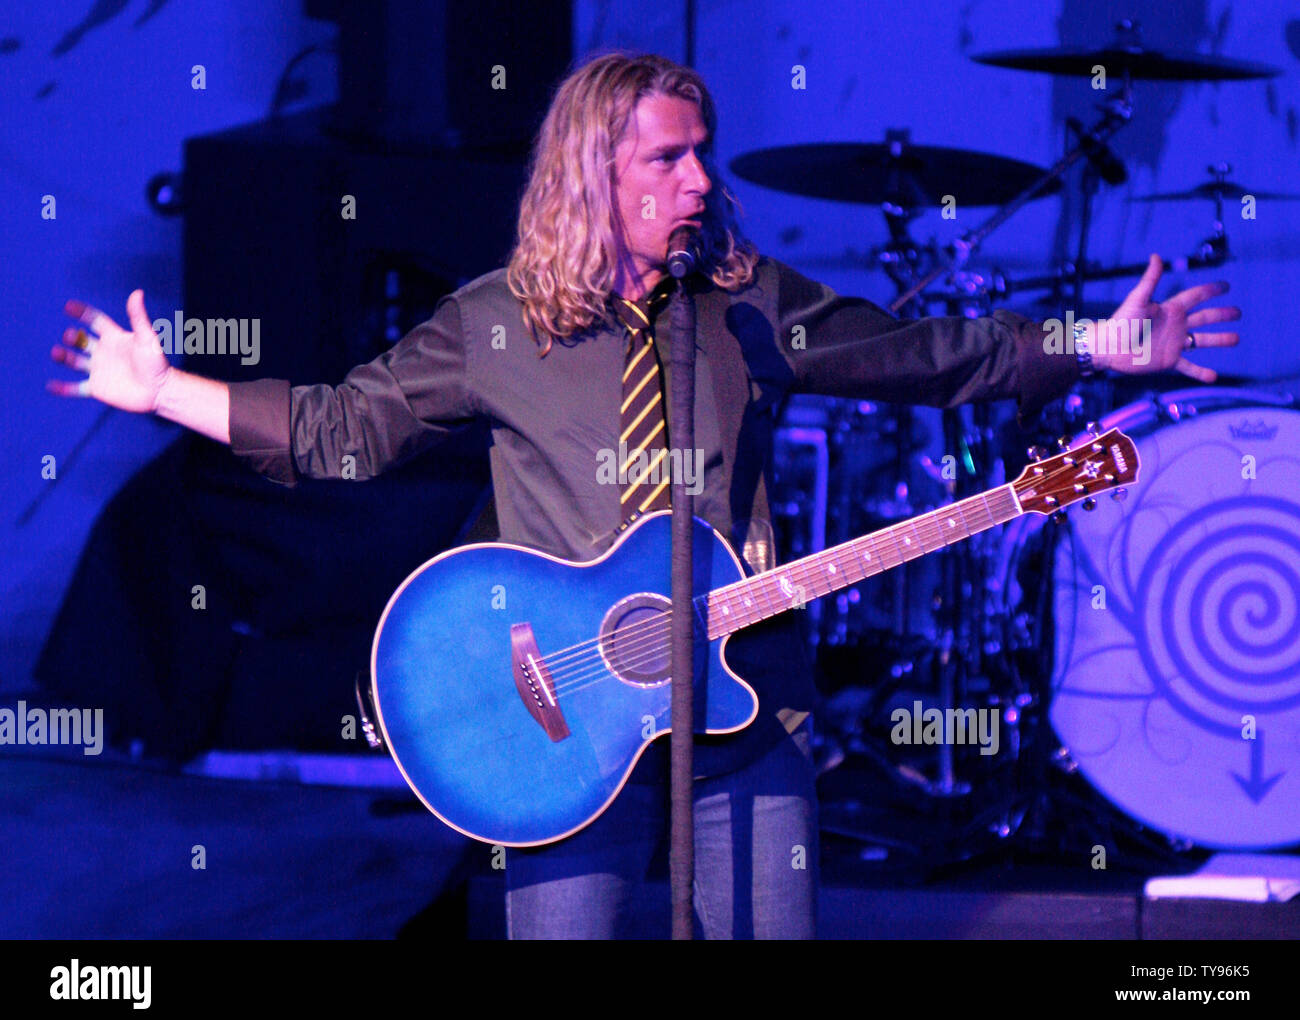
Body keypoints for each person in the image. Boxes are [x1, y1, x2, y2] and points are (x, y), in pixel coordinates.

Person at [50, 52, 1239, 938]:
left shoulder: (743, 304)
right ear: (591, 172)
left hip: (743, 713)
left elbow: (932, 355)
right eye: (665, 158)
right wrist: (164, 390)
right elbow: (336, 430)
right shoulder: (494, 323)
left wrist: (1095, 341)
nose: (696, 179)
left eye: (700, 153)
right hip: (556, 730)